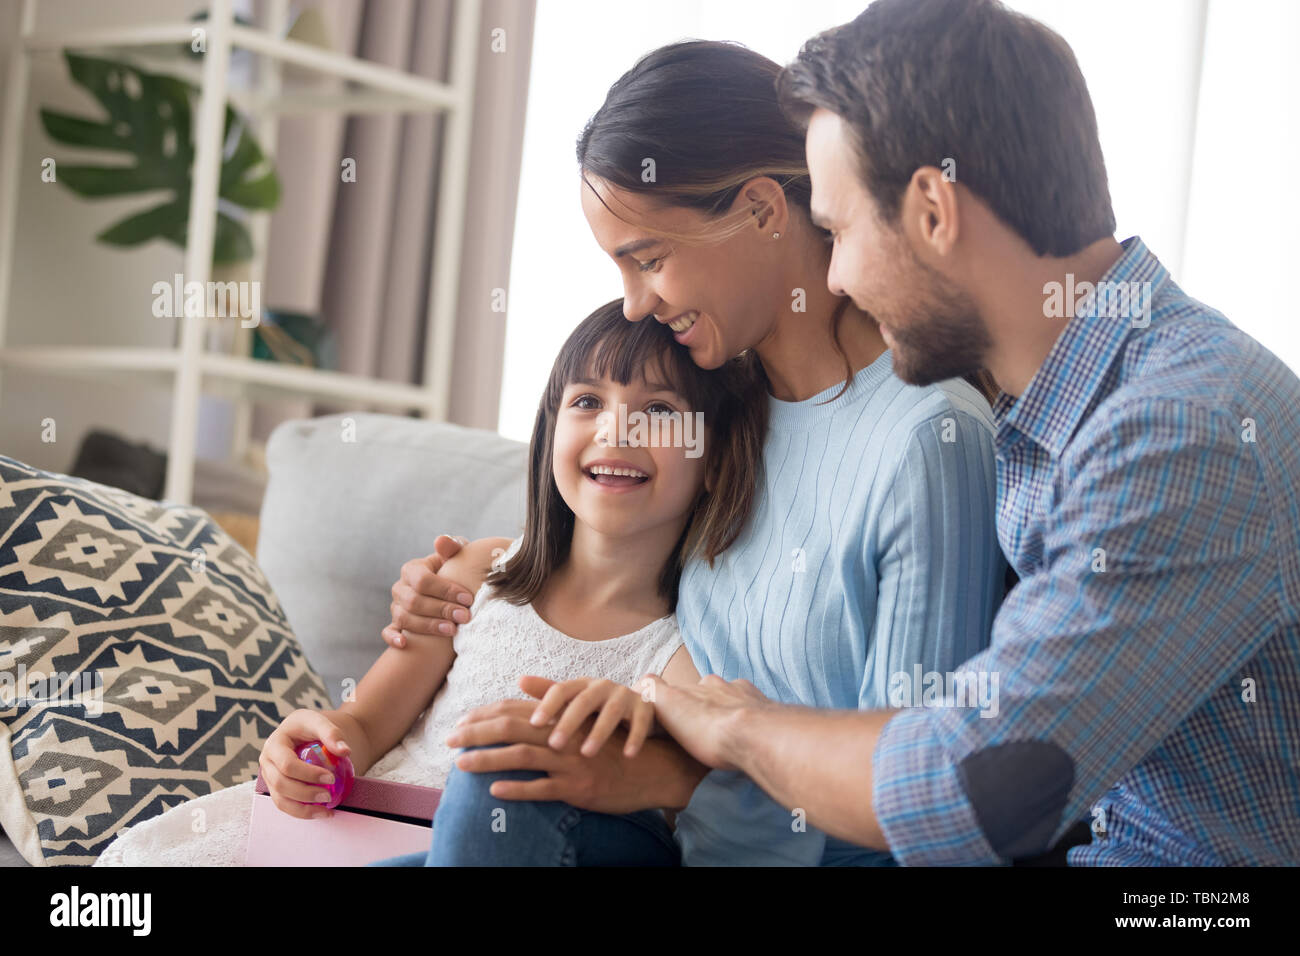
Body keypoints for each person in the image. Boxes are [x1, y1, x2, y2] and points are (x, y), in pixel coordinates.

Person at [629, 0, 1300, 866]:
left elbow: (966, 792)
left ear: (934, 211)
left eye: (836, 233)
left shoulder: (1177, 431)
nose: (831, 275)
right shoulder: (1070, 404)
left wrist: (738, 728)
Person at [385, 40, 1007, 865]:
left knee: (491, 784)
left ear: (760, 210)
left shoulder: (928, 441)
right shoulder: (714, 410)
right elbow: (591, 559)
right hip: (668, 845)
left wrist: (676, 778)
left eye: (649, 258)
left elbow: (919, 803)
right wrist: (454, 588)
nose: (635, 301)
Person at [94, 298, 763, 866]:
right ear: (550, 430)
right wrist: (313, 749)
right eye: (587, 400)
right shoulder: (478, 573)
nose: (616, 428)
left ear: (712, 460)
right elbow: (364, 722)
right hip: (367, 825)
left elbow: (690, 816)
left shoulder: (680, 654)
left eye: (658, 409)